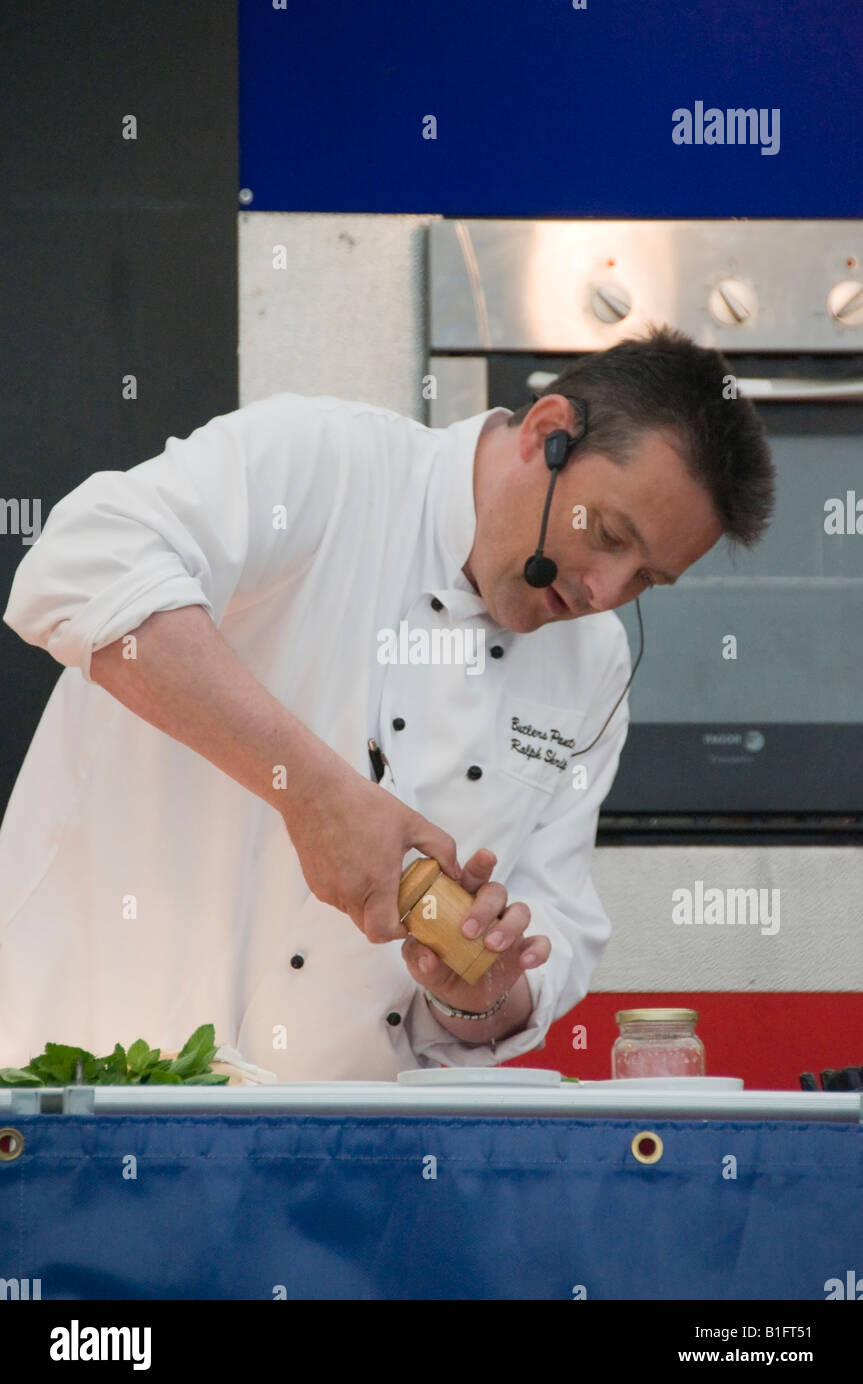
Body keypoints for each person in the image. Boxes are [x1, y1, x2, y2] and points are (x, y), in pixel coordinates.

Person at [0, 327, 774, 1079]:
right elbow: (78, 565)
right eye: (606, 533)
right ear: (547, 433)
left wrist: (481, 994)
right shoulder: (326, 462)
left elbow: (555, 922)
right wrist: (309, 791)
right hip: (85, 1097)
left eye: (645, 580)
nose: (603, 591)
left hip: (334, 1155)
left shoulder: (593, 662)